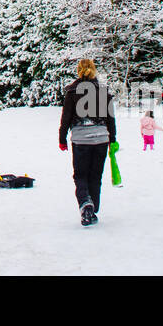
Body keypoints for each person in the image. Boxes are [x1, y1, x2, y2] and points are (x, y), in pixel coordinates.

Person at [58, 58, 117, 226]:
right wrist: (112, 139)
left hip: (80, 139)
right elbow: (110, 118)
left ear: (78, 70)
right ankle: (93, 207)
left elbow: (66, 117)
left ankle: (85, 204)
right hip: (101, 138)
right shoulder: (103, 90)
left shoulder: (72, 91)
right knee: (95, 175)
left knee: (80, 175)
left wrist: (62, 138)